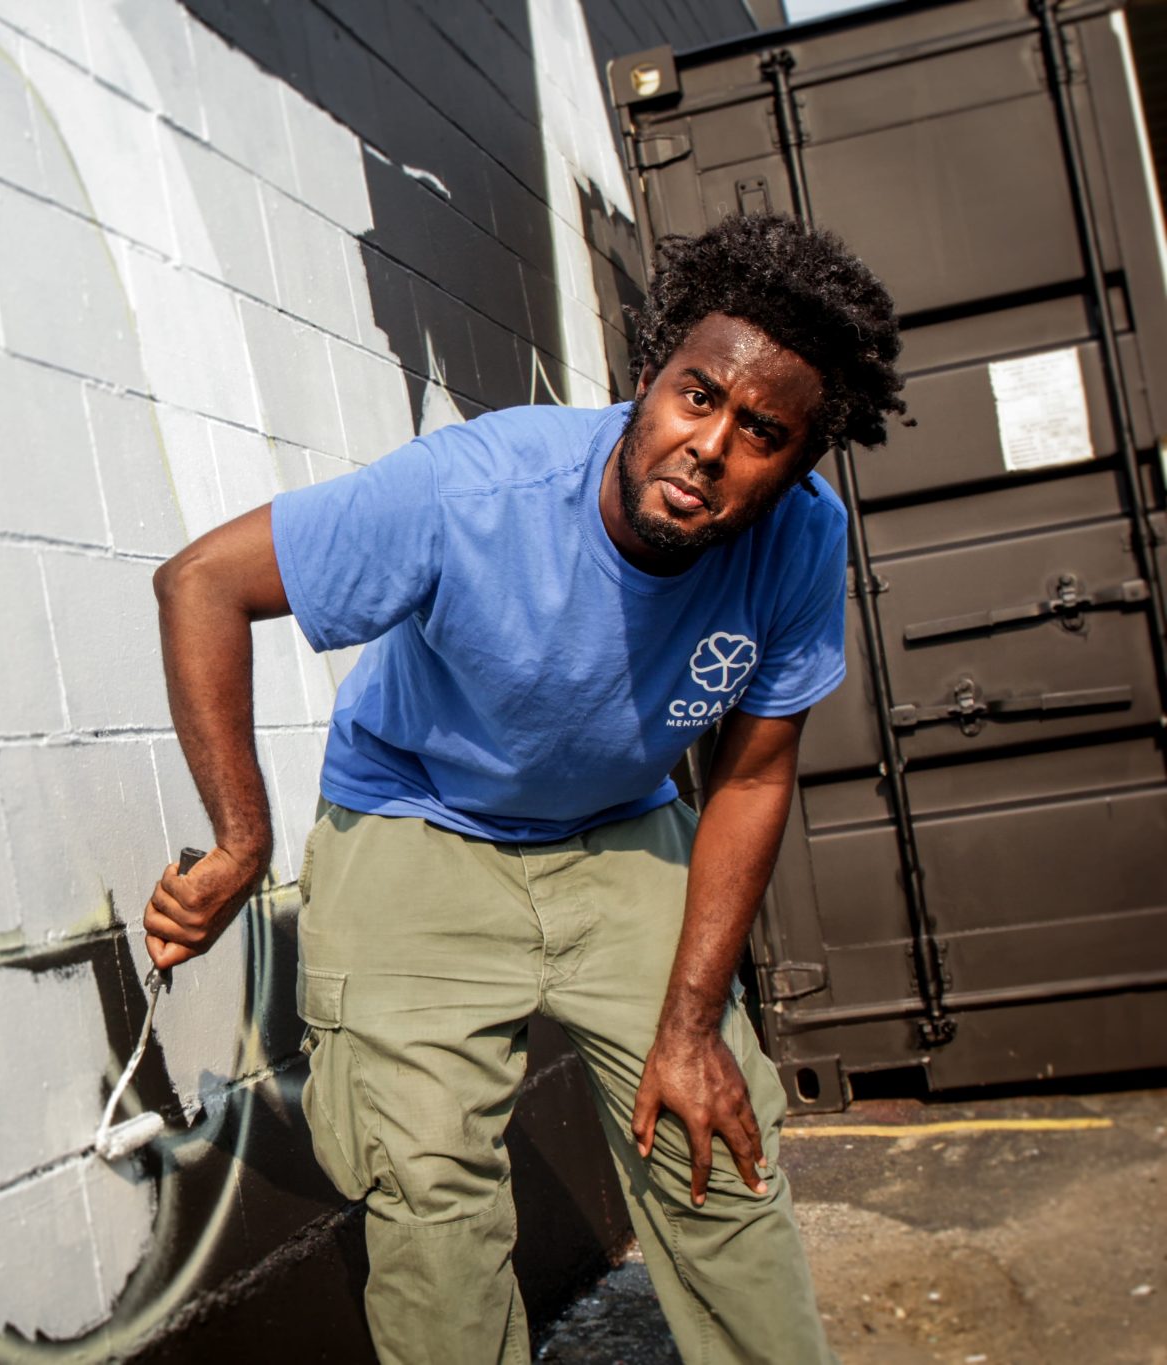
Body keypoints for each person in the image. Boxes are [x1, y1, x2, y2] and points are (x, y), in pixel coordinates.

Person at [140, 211, 903, 1364]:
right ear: (644, 380)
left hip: (617, 833)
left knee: (717, 1158)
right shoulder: (475, 488)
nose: (709, 445)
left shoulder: (799, 542)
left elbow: (750, 774)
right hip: (414, 828)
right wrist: (240, 844)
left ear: (797, 467)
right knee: (432, 1210)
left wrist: (690, 1026)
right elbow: (201, 582)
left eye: (760, 433)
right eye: (696, 397)